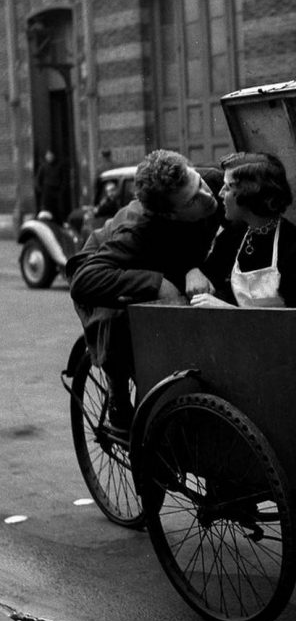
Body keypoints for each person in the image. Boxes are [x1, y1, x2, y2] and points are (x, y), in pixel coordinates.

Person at [67, 149, 224, 433]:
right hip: (112, 268)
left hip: (170, 260)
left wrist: (199, 268)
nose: (207, 196)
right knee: (118, 327)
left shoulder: (212, 181)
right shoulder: (137, 230)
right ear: (167, 213)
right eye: (192, 201)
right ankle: (119, 396)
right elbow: (84, 280)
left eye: (198, 181)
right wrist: (155, 283)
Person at [192, 151, 296, 310]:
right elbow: (211, 275)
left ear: (249, 194)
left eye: (228, 187)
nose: (220, 193)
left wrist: (231, 312)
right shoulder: (236, 233)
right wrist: (193, 272)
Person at [35, 149, 66, 222]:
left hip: (57, 191)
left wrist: (61, 189)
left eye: (51, 155)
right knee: (46, 210)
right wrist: (41, 190)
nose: (49, 157)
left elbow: (63, 179)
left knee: (58, 209)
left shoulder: (59, 166)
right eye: (48, 155)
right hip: (46, 191)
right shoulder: (43, 167)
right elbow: (38, 179)